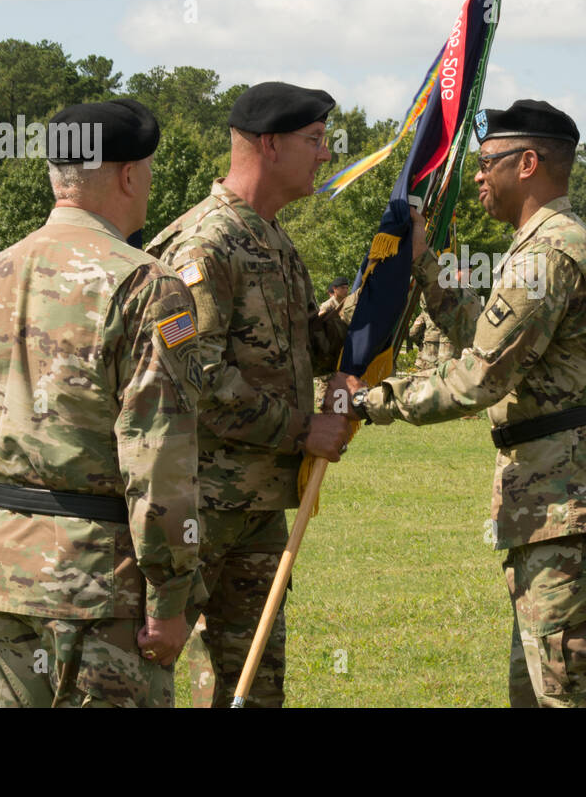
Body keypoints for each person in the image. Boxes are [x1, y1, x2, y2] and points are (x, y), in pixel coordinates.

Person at [332, 99, 586, 708]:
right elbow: (487, 336)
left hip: (566, 504)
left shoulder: (545, 255)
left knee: (575, 697)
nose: (475, 176)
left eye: (486, 162)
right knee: (540, 691)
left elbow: (477, 377)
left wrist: (370, 402)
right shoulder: (561, 244)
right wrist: (423, 266)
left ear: (527, 164)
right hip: (561, 499)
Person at [0, 99, 204, 707]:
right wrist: (169, 595)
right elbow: (160, 457)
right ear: (130, 174)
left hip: (2, 567)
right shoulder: (149, 285)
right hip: (99, 580)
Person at [146, 81, 355, 708]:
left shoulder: (273, 240)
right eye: (314, 142)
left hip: (257, 506)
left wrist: (383, 283)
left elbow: (301, 350)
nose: (325, 155)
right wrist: (300, 430)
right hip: (200, 504)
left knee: (252, 686)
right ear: (269, 145)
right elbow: (196, 375)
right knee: (149, 667)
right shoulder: (206, 246)